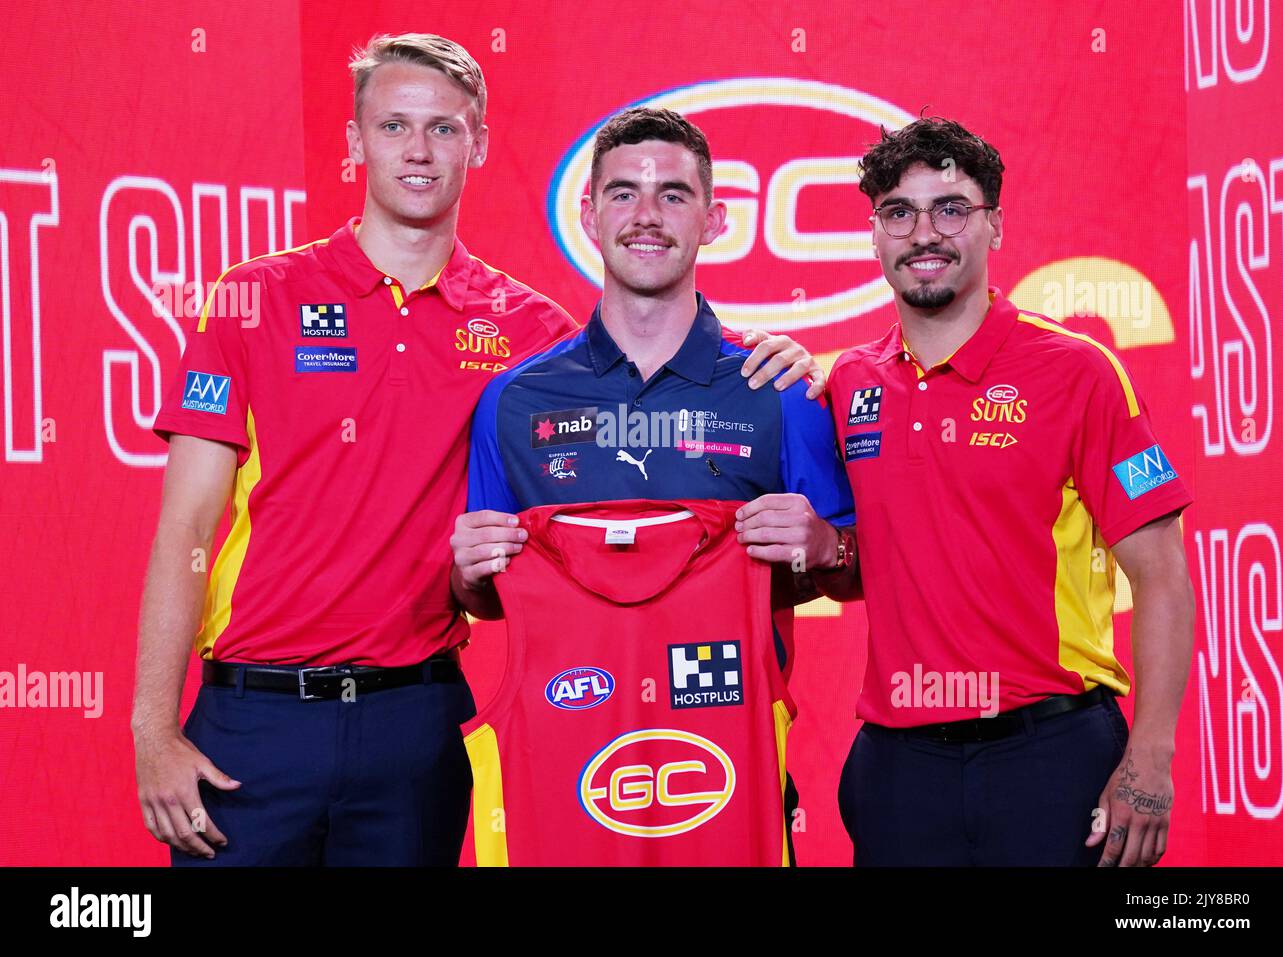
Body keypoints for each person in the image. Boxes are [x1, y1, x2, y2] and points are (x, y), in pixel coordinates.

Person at [132, 35, 815, 867]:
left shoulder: (531, 338)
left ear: (479, 144)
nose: (419, 152)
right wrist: (152, 726)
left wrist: (780, 361)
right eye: (393, 127)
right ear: (354, 143)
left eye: (445, 130)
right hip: (253, 717)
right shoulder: (251, 299)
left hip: (417, 719)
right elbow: (186, 526)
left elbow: (652, 383)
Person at [450, 108, 857, 864]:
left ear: (714, 219)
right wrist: (466, 570)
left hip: (732, 796)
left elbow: (858, 568)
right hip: (560, 795)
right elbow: (483, 596)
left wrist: (827, 543)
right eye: (623, 193)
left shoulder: (780, 389)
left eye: (673, 194)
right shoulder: (515, 401)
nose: (647, 215)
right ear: (588, 215)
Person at [827, 117, 1194, 867]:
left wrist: (1150, 761)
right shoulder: (843, 383)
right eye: (898, 212)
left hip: (1051, 755)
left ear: (994, 226)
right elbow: (856, 562)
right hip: (900, 770)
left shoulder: (1079, 373)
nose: (924, 232)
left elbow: (1162, 578)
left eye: (951, 208)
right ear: (874, 237)